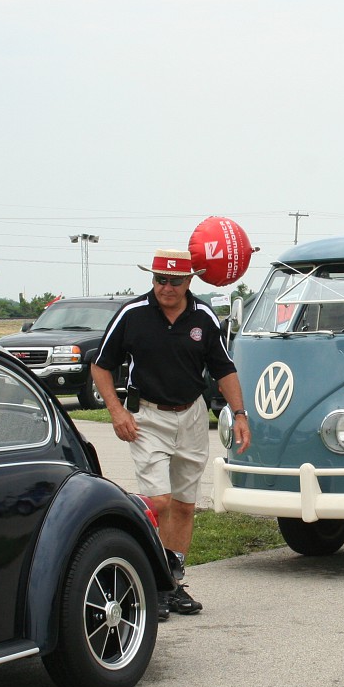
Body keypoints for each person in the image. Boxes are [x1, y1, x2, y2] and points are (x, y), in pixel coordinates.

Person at [91, 249, 251, 620]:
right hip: (147, 417)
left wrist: (239, 413)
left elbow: (223, 369)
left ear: (189, 281)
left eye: (174, 281)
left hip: (192, 415)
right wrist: (116, 412)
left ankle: (173, 581)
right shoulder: (133, 315)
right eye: (159, 279)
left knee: (184, 504)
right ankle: (152, 581)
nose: (166, 287)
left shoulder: (203, 316)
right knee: (158, 501)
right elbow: (101, 367)